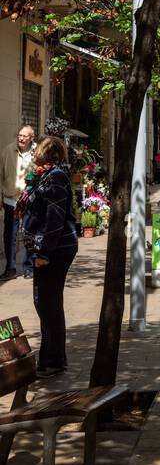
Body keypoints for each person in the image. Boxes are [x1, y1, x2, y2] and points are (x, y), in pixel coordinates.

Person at [19, 136, 78, 377]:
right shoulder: (46, 175)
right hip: (44, 248)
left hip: (55, 249)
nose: (34, 151)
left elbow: (55, 217)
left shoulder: (55, 177)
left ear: (47, 152)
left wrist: (44, 252)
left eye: (38, 147)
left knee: (48, 302)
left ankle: (53, 360)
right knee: (44, 301)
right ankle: (49, 359)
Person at [2, 125, 35, 279]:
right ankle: (10, 268)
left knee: (29, 233)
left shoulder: (38, 152)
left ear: (31, 138)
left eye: (25, 136)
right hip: (10, 199)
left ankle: (29, 267)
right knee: (10, 234)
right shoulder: (8, 150)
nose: (21, 138)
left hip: (29, 199)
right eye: (19, 135)